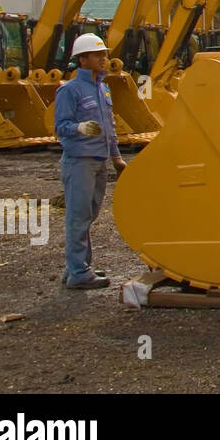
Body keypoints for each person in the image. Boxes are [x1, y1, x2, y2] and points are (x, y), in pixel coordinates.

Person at [53, 33, 127, 289]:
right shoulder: (69, 90)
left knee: (89, 214)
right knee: (78, 217)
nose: (104, 59)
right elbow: (61, 126)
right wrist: (80, 128)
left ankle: (77, 267)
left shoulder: (102, 88)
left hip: (99, 160)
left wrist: (117, 158)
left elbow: (110, 126)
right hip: (79, 161)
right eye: (98, 55)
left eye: (104, 54)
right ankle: (79, 273)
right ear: (82, 59)